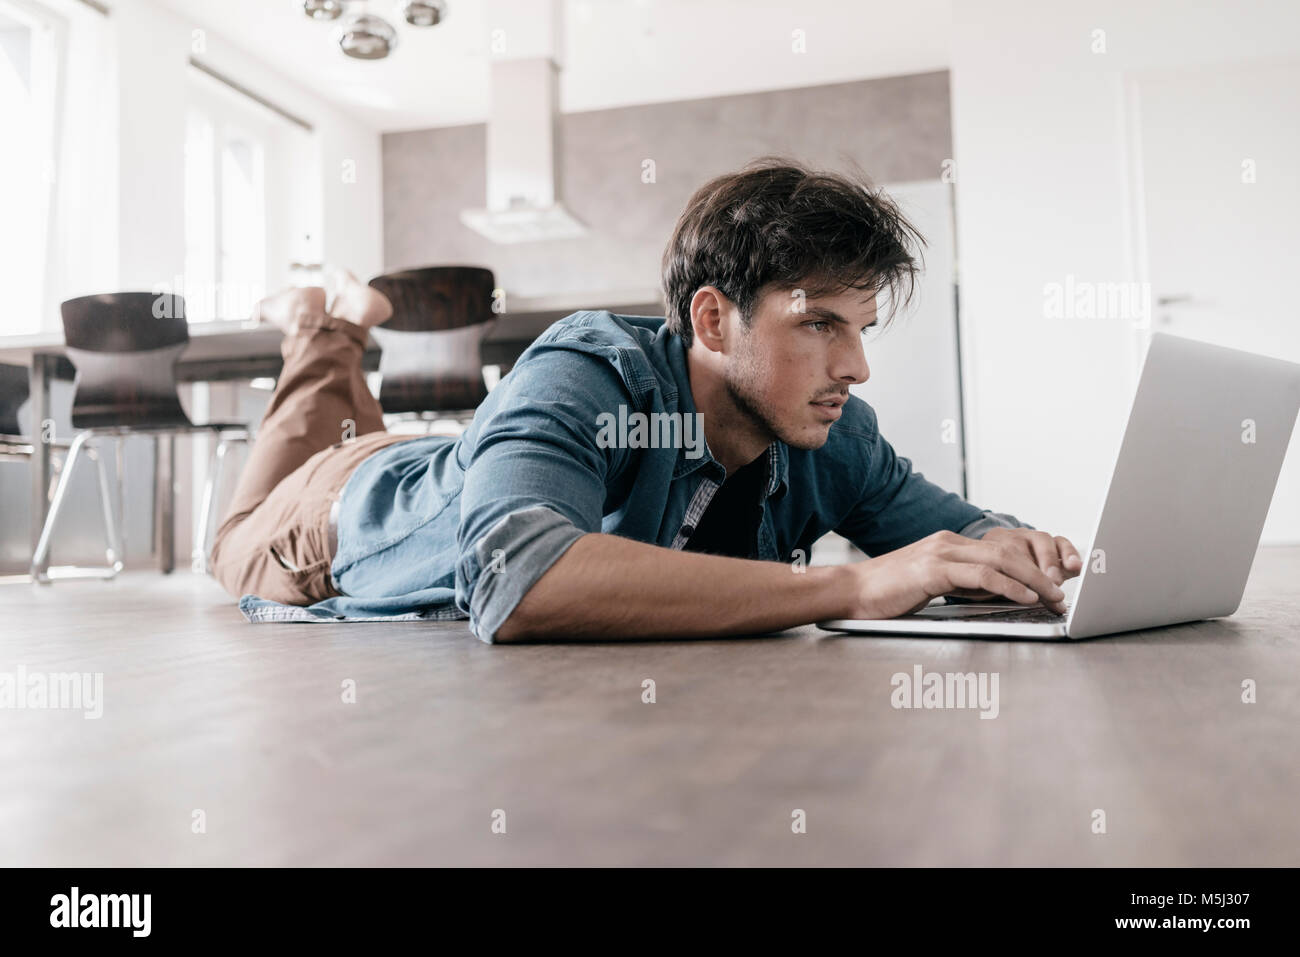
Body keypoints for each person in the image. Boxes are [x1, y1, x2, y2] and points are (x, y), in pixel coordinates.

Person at [209, 157, 1081, 643]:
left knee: (348, 412)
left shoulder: (837, 436)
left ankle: (335, 331)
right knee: (238, 524)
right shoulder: (593, 371)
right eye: (820, 324)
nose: (856, 368)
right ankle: (321, 326)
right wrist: (847, 587)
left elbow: (961, 539)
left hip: (441, 459)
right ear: (711, 318)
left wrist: (1017, 553)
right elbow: (521, 578)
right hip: (331, 515)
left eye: (862, 329)